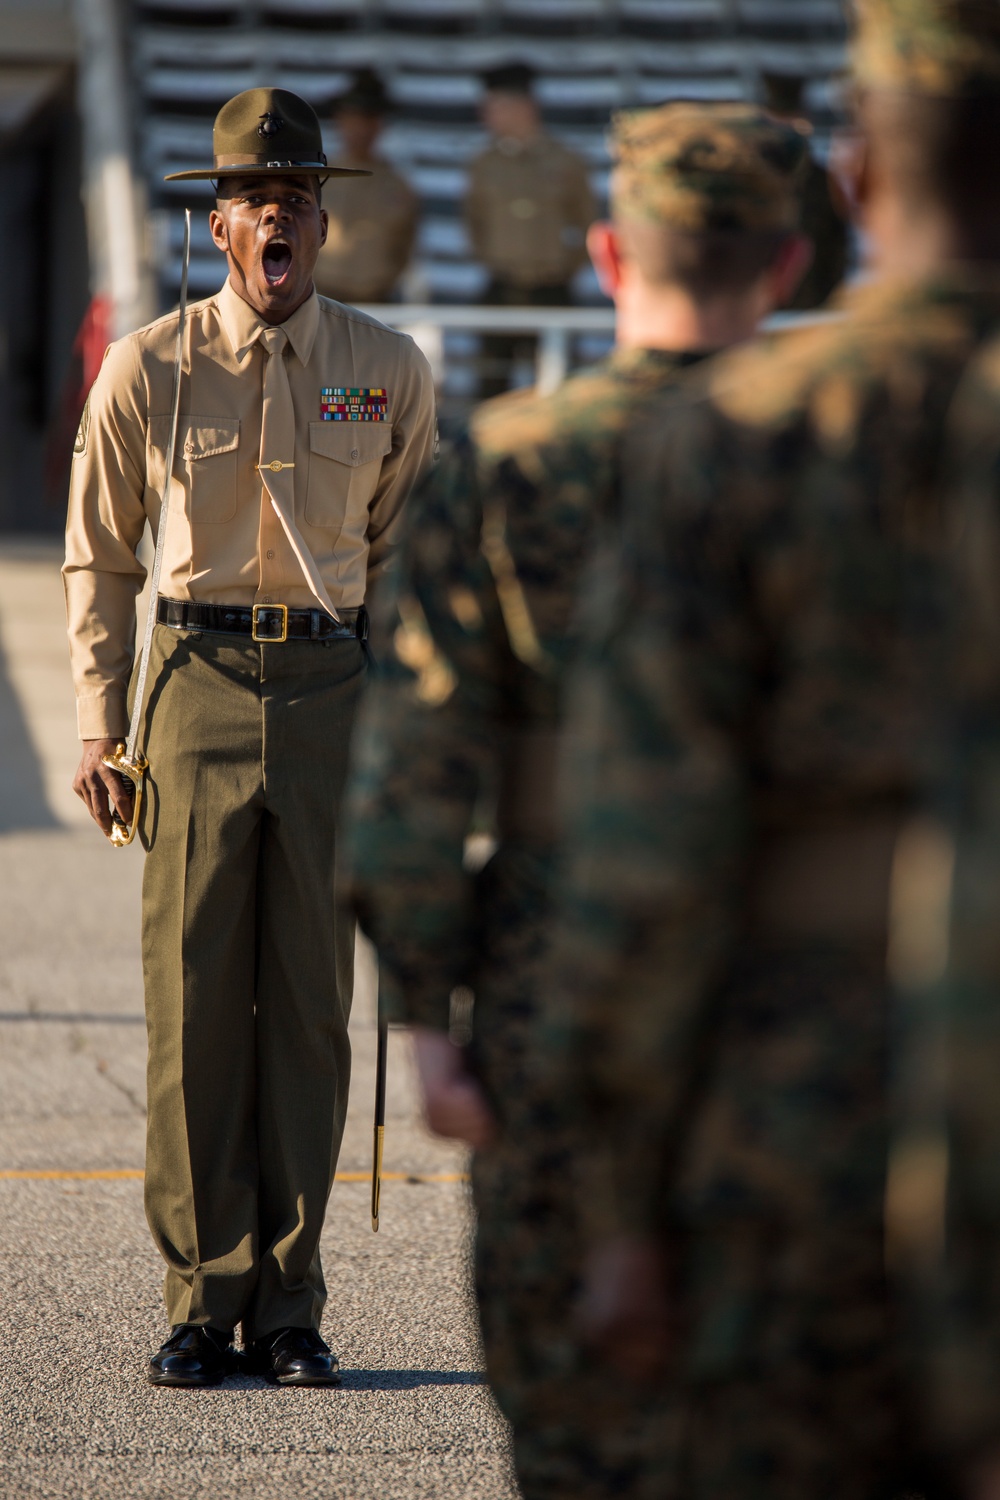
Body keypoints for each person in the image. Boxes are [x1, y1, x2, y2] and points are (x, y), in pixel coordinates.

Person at [548, 0, 1000, 1494]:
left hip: (800, 1162)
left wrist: (618, 1212)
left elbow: (644, 866)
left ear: (855, 174)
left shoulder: (739, 443)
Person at [343, 101, 810, 1497]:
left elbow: (416, 764)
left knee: (569, 1418)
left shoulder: (514, 457)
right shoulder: (834, 454)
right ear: (787, 271)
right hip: (800, 988)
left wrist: (430, 1015)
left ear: (606, 251)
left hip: (558, 971)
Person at [63, 86, 435, 1388]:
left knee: (313, 1014)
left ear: (324, 227)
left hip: (337, 695)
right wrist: (101, 725)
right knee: (194, 1006)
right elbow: (100, 559)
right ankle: (198, 1295)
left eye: (303, 201)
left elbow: (410, 562)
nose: (283, 217)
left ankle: (289, 1304)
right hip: (199, 687)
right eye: (258, 200)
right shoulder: (148, 370)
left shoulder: (387, 368)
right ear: (218, 224)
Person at [465, 62, 596, 398]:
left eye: (495, 107)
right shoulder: (483, 164)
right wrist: (494, 257)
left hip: (552, 287)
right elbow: (473, 220)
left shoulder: (567, 161)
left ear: (523, 107)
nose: (487, 116)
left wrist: (564, 266)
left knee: (558, 386)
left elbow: (587, 222)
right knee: (490, 386)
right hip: (502, 286)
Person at [314, 68, 419, 307]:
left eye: (369, 118)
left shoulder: (398, 184)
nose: (360, 128)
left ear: (380, 124)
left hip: (377, 299)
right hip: (321, 298)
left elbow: (406, 245)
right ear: (340, 119)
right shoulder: (315, 178)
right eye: (353, 117)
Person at [761, 69, 851, 309]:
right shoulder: (753, 177)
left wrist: (829, 299)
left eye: (796, 125)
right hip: (762, 309)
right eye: (780, 125)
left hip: (812, 303)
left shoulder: (823, 178)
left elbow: (837, 243)